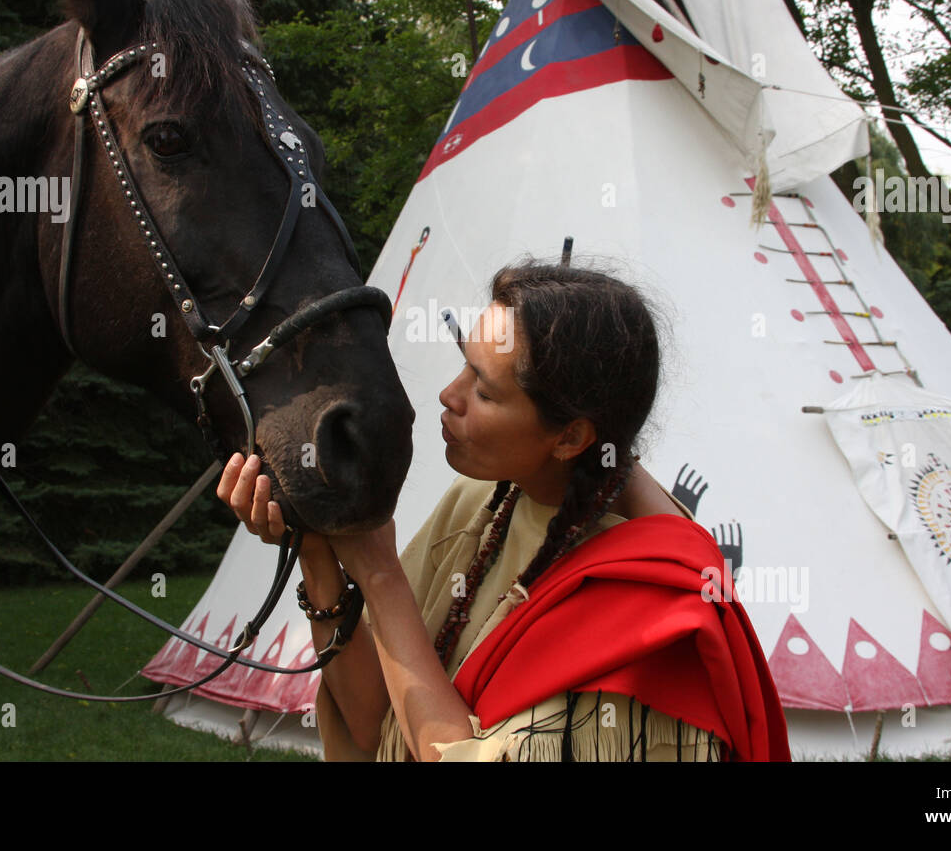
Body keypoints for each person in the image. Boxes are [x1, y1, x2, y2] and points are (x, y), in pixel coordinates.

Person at [217, 260, 790, 761]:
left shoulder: (645, 608)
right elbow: (375, 726)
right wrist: (319, 553)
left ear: (570, 438)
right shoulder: (481, 506)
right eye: (464, 363)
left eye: (485, 393)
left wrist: (379, 573)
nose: (450, 395)